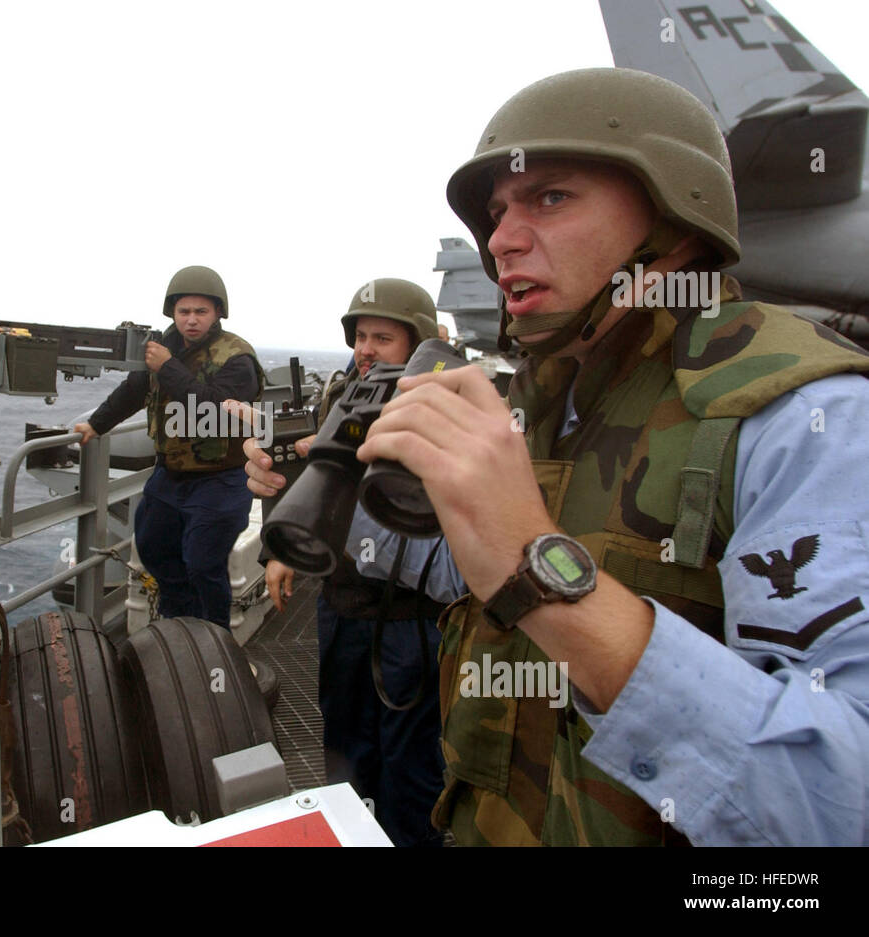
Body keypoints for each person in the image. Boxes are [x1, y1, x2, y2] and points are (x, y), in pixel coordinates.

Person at [255, 69, 869, 845]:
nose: (502, 239)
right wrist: (322, 505)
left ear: (674, 217)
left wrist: (536, 566)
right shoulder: (546, 404)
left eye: (550, 198)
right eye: (497, 214)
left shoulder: (800, 416)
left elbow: (839, 799)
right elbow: (460, 572)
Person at [250, 278, 449, 846]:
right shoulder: (343, 396)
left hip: (412, 618)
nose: (366, 349)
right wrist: (276, 549)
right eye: (360, 336)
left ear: (419, 346)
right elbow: (311, 479)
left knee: (410, 768)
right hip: (342, 607)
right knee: (344, 755)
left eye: (382, 338)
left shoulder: (443, 408)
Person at [74, 266, 262, 630]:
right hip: (170, 475)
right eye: (184, 312)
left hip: (220, 478)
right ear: (173, 313)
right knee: (154, 548)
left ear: (218, 313)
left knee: (203, 562)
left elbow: (214, 408)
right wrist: (97, 425)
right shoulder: (165, 347)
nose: (191, 320)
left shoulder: (237, 357)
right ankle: (180, 628)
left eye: (201, 312)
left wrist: (168, 367)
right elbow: (133, 389)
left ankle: (215, 641)